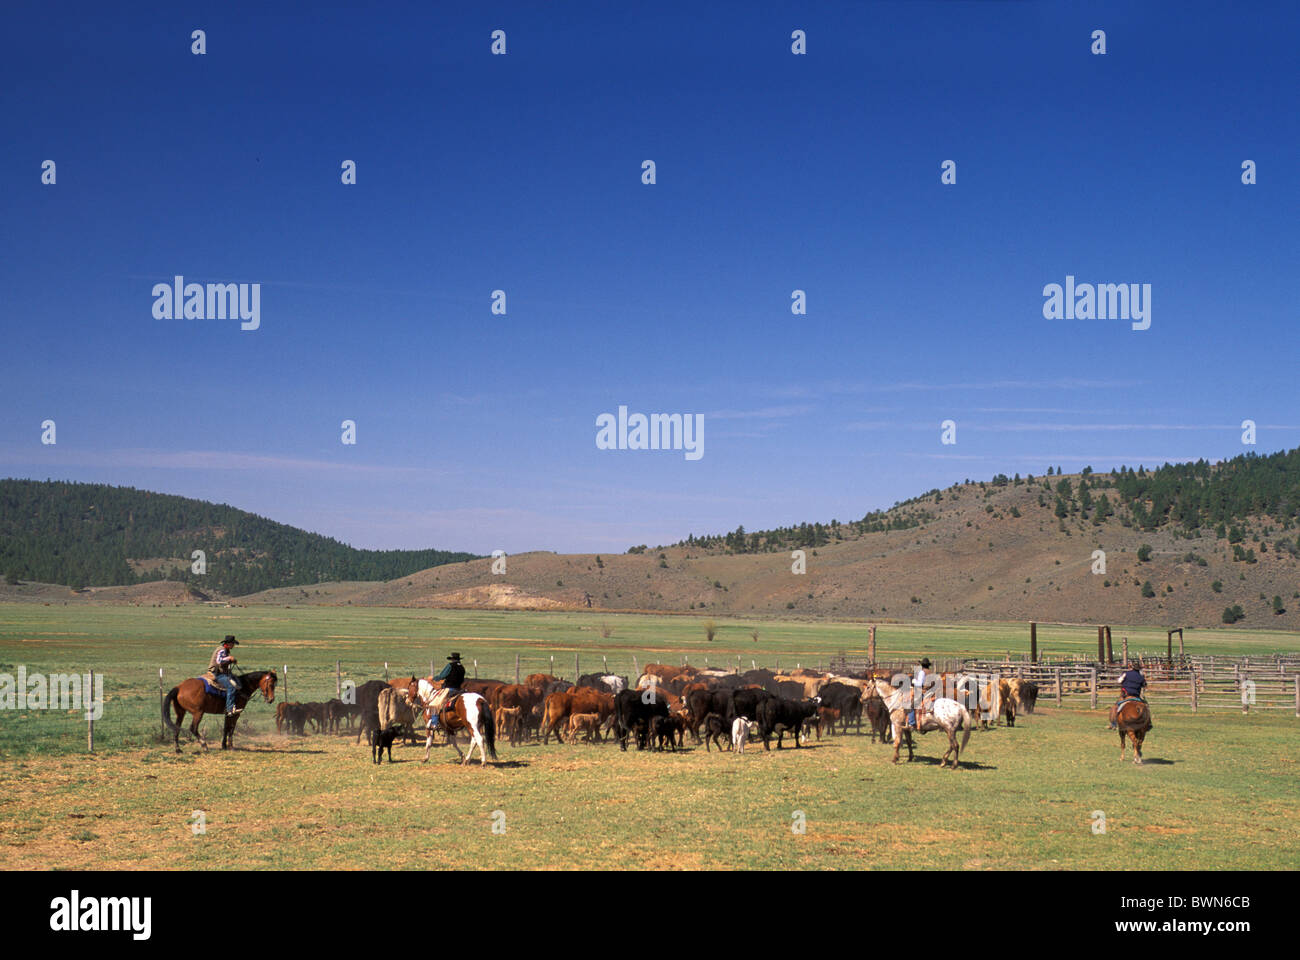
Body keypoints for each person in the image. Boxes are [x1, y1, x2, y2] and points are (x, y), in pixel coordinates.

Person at [426, 652, 467, 732]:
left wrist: (433, 678)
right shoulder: (462, 667)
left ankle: (434, 723)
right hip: (459, 689)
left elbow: (442, 676)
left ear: (452, 659)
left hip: (449, 689)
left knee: (434, 704)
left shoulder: (450, 666)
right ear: (459, 659)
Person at [1108, 662, 1149, 729]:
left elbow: (1119, 681)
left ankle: (1113, 724)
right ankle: (1148, 724)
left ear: (1132, 667)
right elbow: (1144, 685)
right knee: (1146, 707)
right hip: (1136, 696)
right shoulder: (1141, 677)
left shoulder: (1126, 674)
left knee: (1115, 707)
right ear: (1139, 669)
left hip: (1126, 695)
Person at [208, 635, 240, 716]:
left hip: (220, 672)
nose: (233, 645)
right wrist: (230, 659)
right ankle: (229, 709)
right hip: (216, 673)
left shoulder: (226, 650)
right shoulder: (222, 650)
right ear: (229, 643)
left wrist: (230, 660)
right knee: (231, 687)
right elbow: (219, 662)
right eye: (233, 644)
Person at [908, 657, 932, 730]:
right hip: (930, 691)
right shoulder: (930, 672)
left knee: (911, 706)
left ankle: (911, 723)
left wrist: (914, 681)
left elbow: (919, 683)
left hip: (923, 691)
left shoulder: (922, 672)